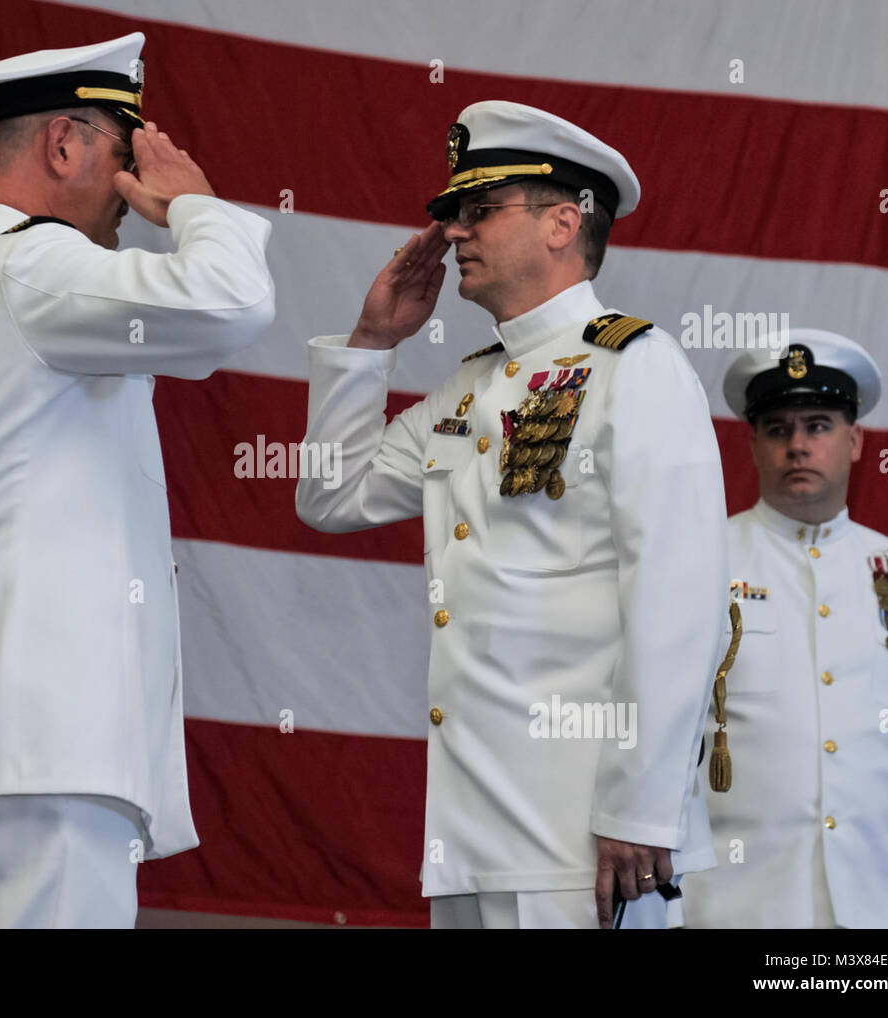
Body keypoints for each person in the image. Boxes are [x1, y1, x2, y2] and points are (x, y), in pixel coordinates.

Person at [0, 32, 275, 928]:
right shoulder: (30, 264)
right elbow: (231, 303)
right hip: (43, 761)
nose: (136, 191)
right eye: (126, 155)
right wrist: (197, 206)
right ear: (63, 145)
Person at [295, 100, 729, 929]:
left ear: (564, 222)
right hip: (472, 836)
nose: (457, 232)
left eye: (481, 210)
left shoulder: (635, 365)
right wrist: (368, 343)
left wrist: (640, 812)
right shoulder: (468, 387)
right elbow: (328, 496)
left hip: (589, 842)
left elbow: (679, 600)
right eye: (455, 214)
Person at [686, 329, 888, 928]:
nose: (799, 445)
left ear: (855, 442)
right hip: (734, 908)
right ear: (752, 445)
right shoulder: (698, 565)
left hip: (883, 916)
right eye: (779, 429)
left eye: (818, 425)